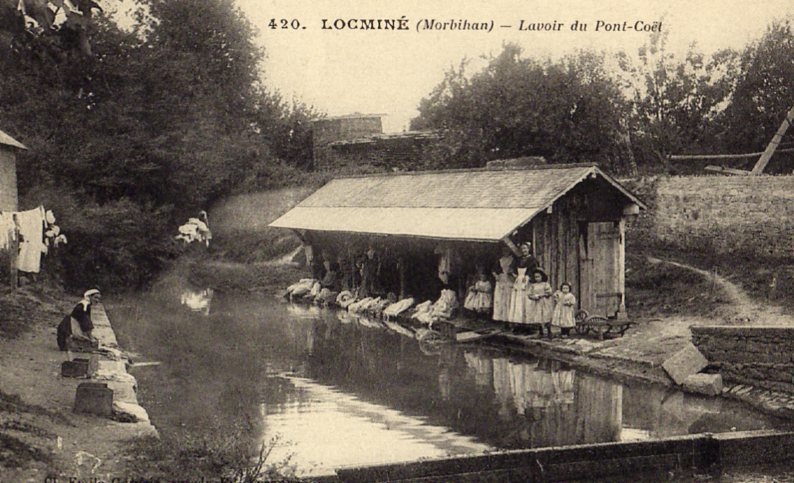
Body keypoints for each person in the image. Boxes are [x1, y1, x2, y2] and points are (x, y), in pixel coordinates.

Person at [525, 269, 553, 338]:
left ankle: (549, 332)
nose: (537, 278)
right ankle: (540, 332)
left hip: (544, 302)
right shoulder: (533, 285)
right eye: (535, 277)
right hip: (536, 304)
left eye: (538, 277)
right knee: (538, 317)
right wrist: (533, 296)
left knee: (546, 316)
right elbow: (529, 294)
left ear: (542, 277)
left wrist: (542, 295)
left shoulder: (545, 284)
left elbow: (549, 293)